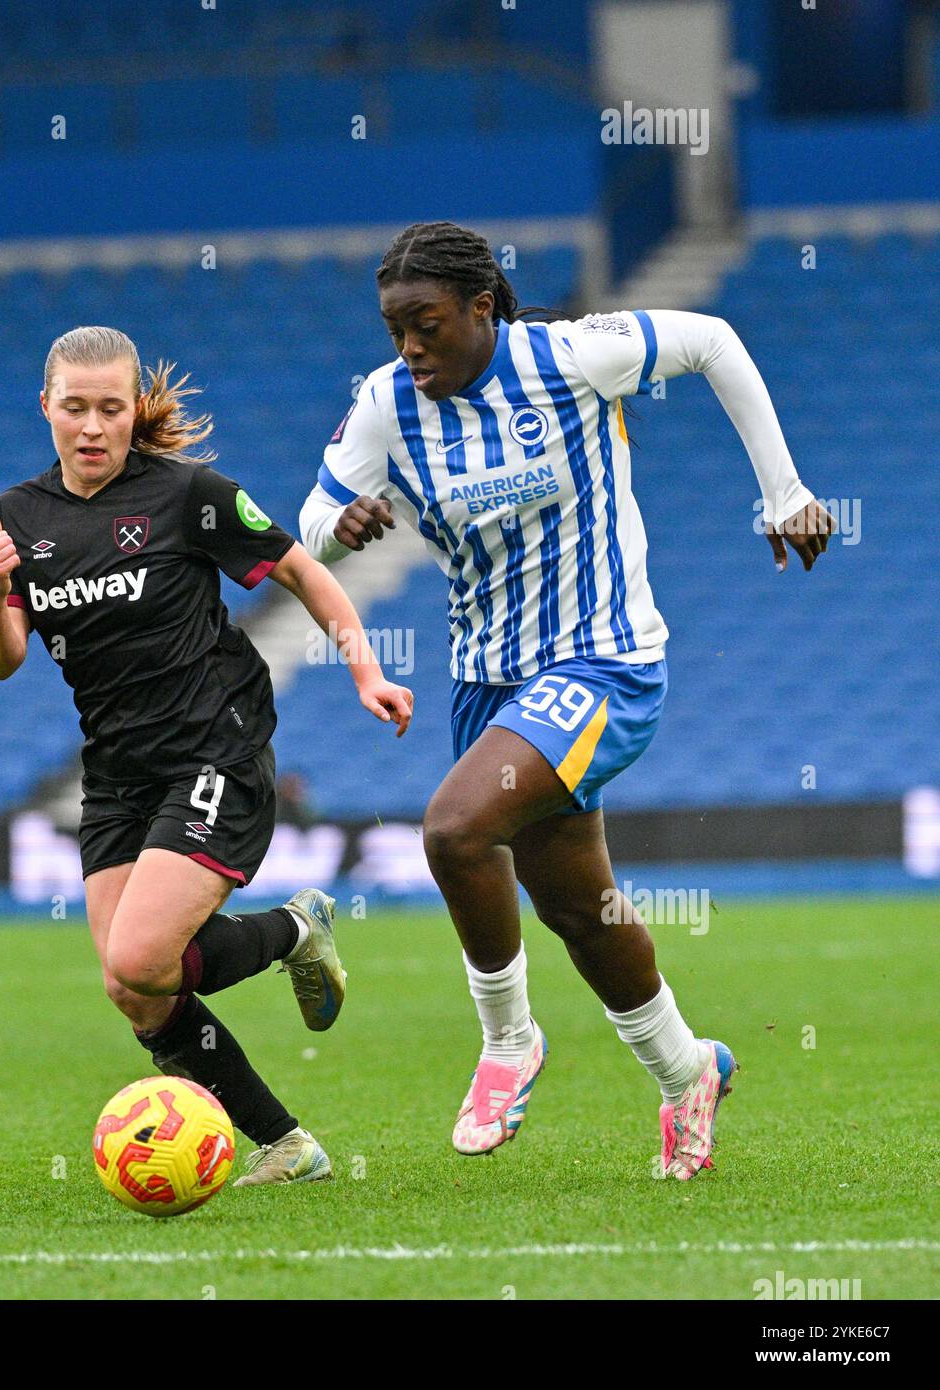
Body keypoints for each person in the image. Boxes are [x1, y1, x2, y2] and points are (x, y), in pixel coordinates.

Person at [298, 222, 834, 1179]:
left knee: (455, 831)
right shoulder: (385, 404)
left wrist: (781, 491)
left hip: (603, 663)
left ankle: (508, 1041)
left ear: (480, 306)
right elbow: (311, 524)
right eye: (394, 330)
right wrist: (340, 526)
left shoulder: (573, 357)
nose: (409, 347)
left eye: (426, 324)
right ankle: (686, 1072)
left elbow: (712, 341)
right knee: (580, 910)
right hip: (489, 681)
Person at [0, 325, 412, 1186]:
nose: (93, 427)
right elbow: (1, 658)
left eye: (110, 408)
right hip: (117, 771)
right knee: (133, 986)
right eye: (75, 408)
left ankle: (294, 930)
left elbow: (301, 571)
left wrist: (366, 669)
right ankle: (287, 1146)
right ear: (46, 409)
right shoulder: (16, 516)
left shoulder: (186, 495)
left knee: (141, 956)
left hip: (215, 747)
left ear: (133, 408)